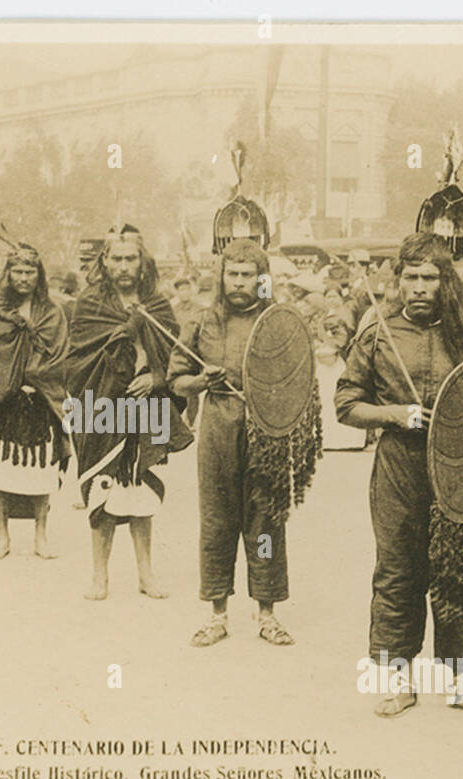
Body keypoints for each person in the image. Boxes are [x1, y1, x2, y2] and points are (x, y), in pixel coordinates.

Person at [335, 232, 463, 721]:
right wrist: (395, 414)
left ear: (445, 282)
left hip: (456, 471)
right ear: (397, 281)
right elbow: (346, 405)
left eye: (429, 278)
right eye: (410, 277)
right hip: (399, 467)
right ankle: (397, 682)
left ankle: (461, 683)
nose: (418, 287)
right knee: (397, 570)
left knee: (458, 570)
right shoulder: (376, 335)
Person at [169, 238, 302, 646]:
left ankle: (267, 613)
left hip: (266, 428)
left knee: (265, 521)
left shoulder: (280, 320)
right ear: (221, 277)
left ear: (261, 279)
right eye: (233, 274)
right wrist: (200, 380)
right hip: (218, 424)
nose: (239, 283)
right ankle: (217, 614)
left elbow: (299, 379)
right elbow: (176, 380)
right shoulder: (202, 323)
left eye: (248, 275)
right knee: (217, 518)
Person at [66, 223, 192, 600]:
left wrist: (155, 378)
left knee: (141, 488)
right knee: (102, 488)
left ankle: (145, 574)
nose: (123, 266)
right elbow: (77, 361)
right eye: (116, 259)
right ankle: (99, 576)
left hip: (145, 406)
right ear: (105, 262)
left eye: (130, 259)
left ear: (142, 262)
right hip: (103, 407)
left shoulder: (157, 305)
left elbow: (174, 356)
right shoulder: (90, 305)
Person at [0, 242, 70, 559]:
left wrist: (34, 380)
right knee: (0, 470)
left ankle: (41, 535)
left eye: (30, 272)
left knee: (41, 470)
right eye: (17, 271)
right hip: (2, 401)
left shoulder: (52, 312)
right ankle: (2, 535)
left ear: (39, 275)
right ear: (7, 274)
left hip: (39, 400)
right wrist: (9, 384)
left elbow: (59, 354)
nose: (23, 278)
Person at [168, 275, 201, 427]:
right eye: (181, 290)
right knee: (176, 386)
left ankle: (191, 420)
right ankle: (179, 419)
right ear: (177, 293)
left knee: (193, 388)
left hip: (194, 353)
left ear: (191, 291)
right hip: (178, 353)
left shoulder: (199, 309)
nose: (184, 293)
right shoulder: (173, 310)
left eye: (186, 289)